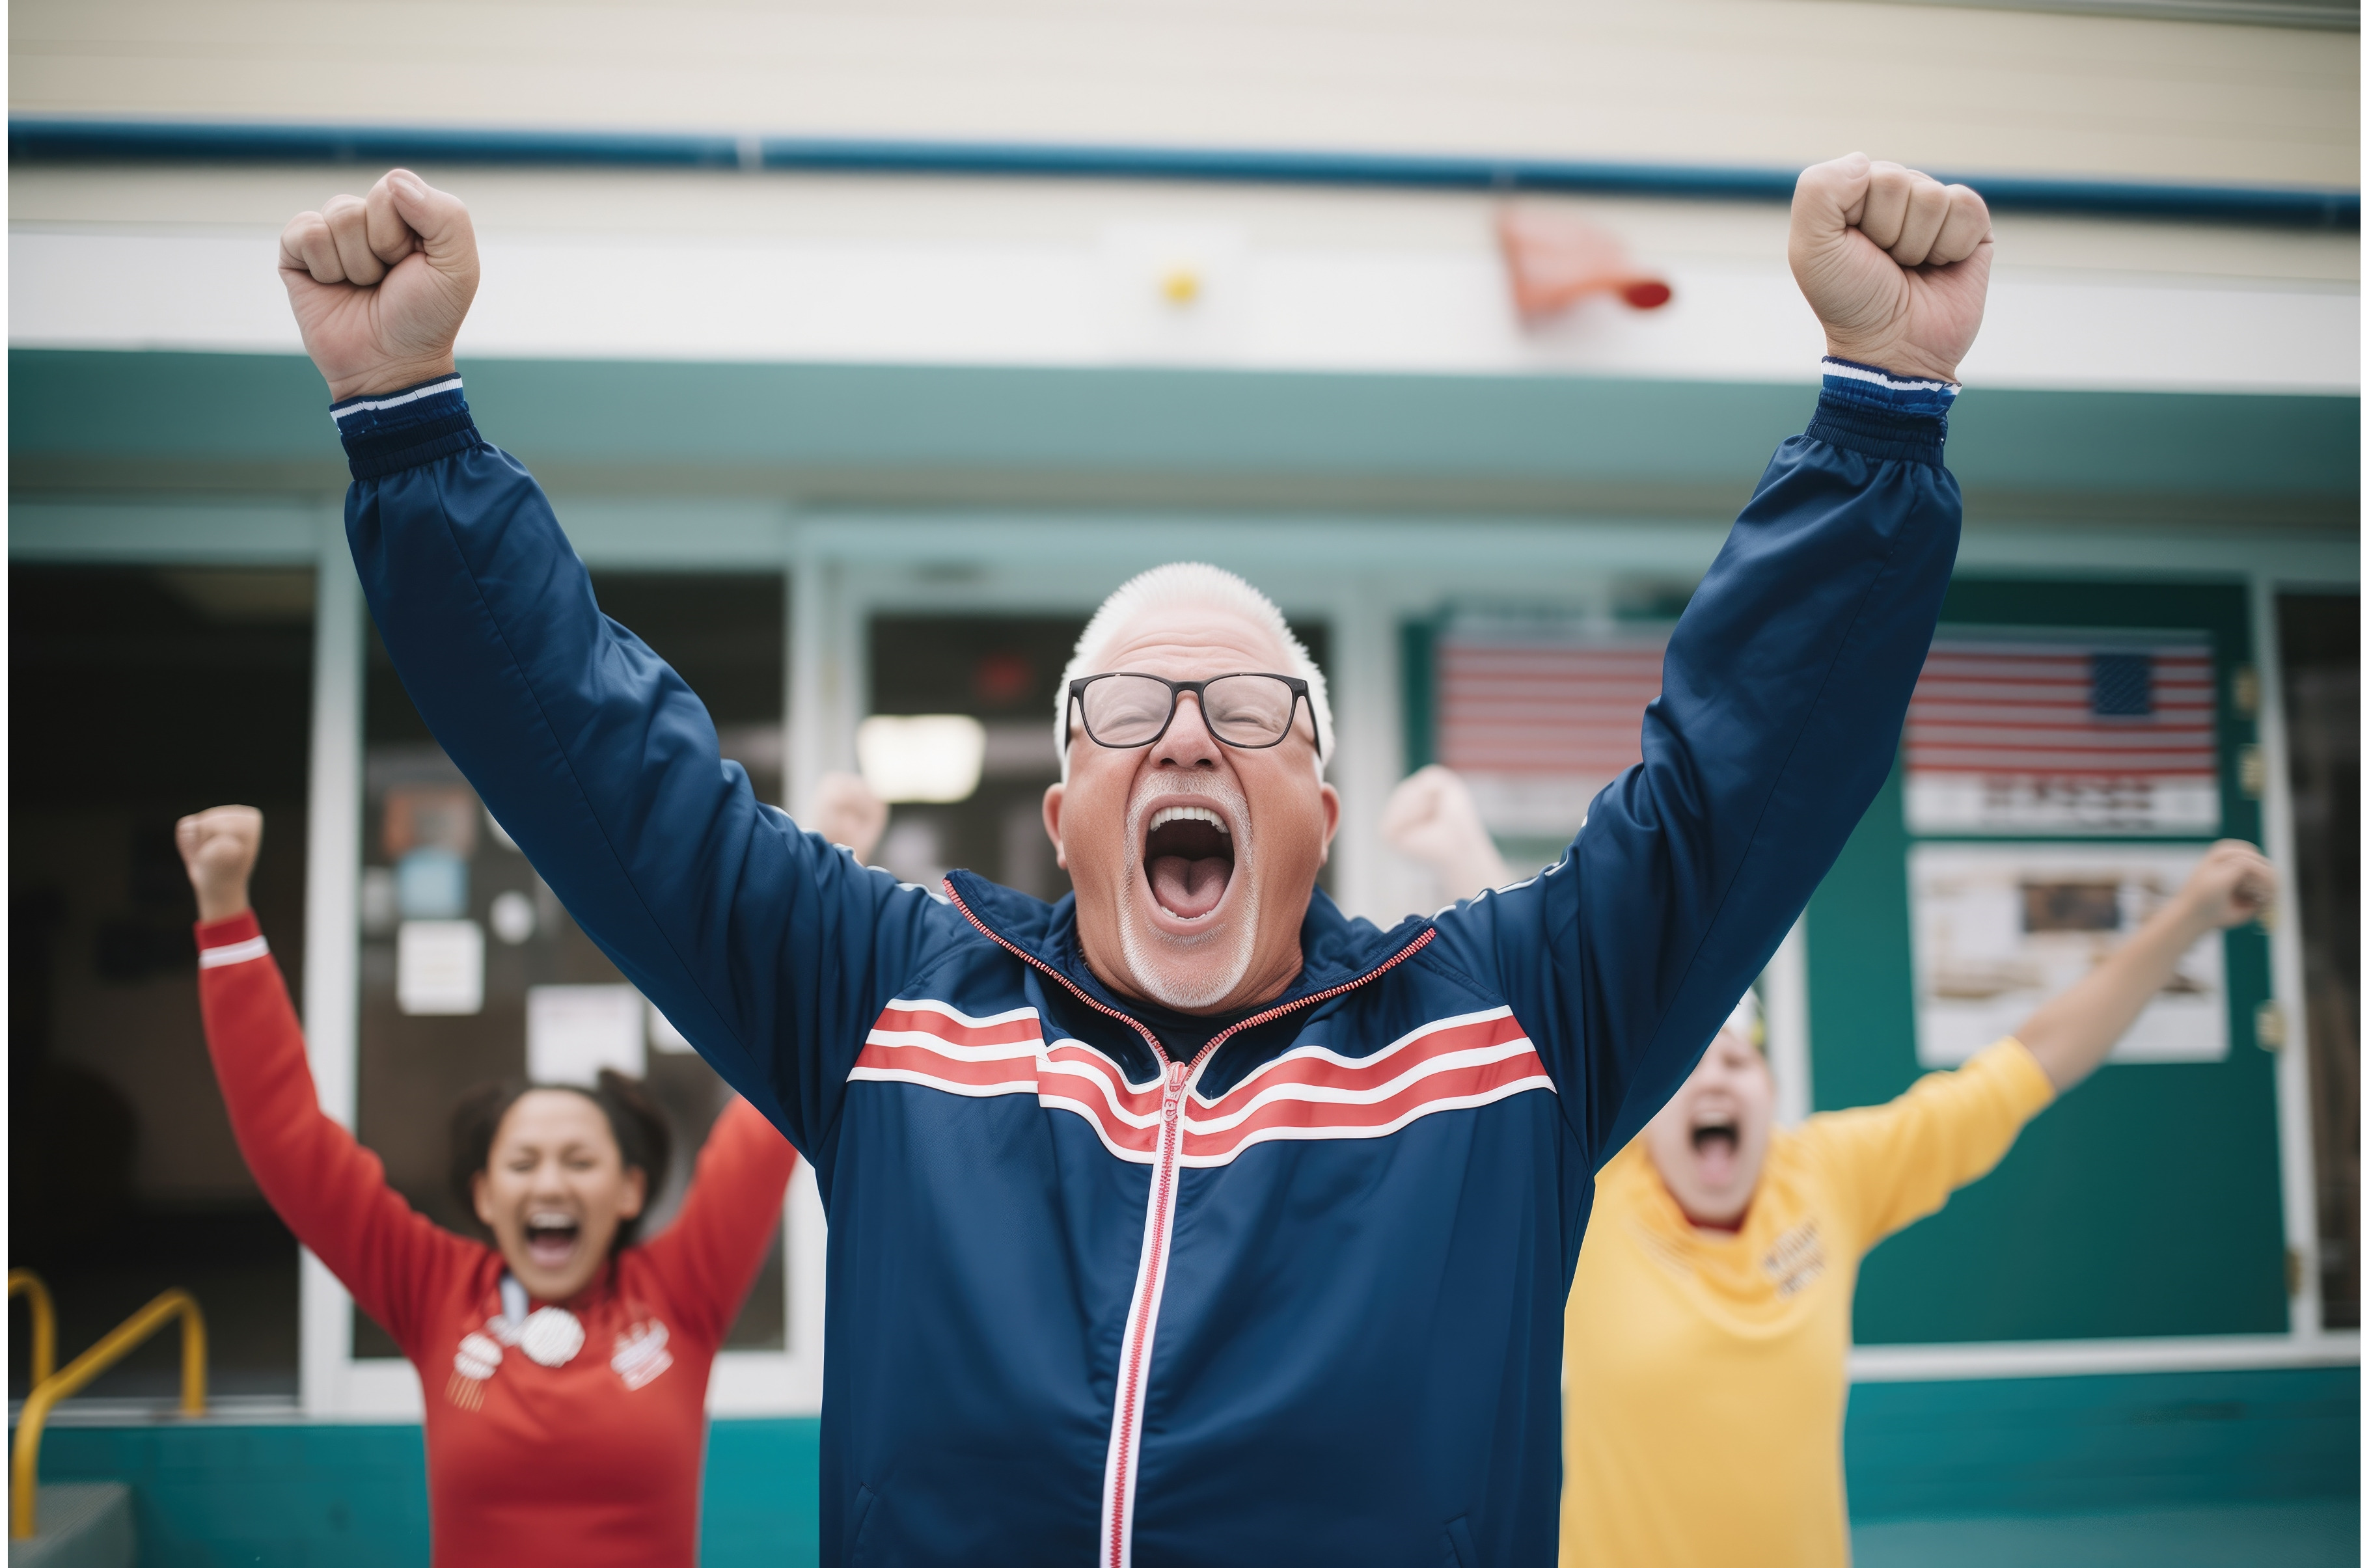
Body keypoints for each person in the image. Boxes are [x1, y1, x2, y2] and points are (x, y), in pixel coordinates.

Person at [273, 150, 1990, 1565]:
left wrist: (1880, 411)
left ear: (1320, 811)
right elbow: (601, 768)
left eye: (1250, 705)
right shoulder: (889, 1001)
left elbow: (1741, 774)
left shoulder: (1508, 1031)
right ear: (1065, 814)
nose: (1186, 733)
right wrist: (411, 427)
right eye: (1129, 708)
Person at [1384, 779, 2277, 1568]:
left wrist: (2188, 915)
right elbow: (1538, 1016)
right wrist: (1460, 842)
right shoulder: (1599, 1191)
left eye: (1738, 1061)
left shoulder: (1831, 1177)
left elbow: (2033, 1059)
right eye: (1689, 1067)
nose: (1715, 1078)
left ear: (1772, 1088)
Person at [176, 802, 832, 1568]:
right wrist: (224, 910)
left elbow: (767, 1109)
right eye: (522, 1163)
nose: (549, 1180)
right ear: (485, 1195)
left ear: (630, 1191)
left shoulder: (680, 1293)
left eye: (580, 1161)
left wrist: (818, 882)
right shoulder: (434, 1292)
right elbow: (289, 1141)